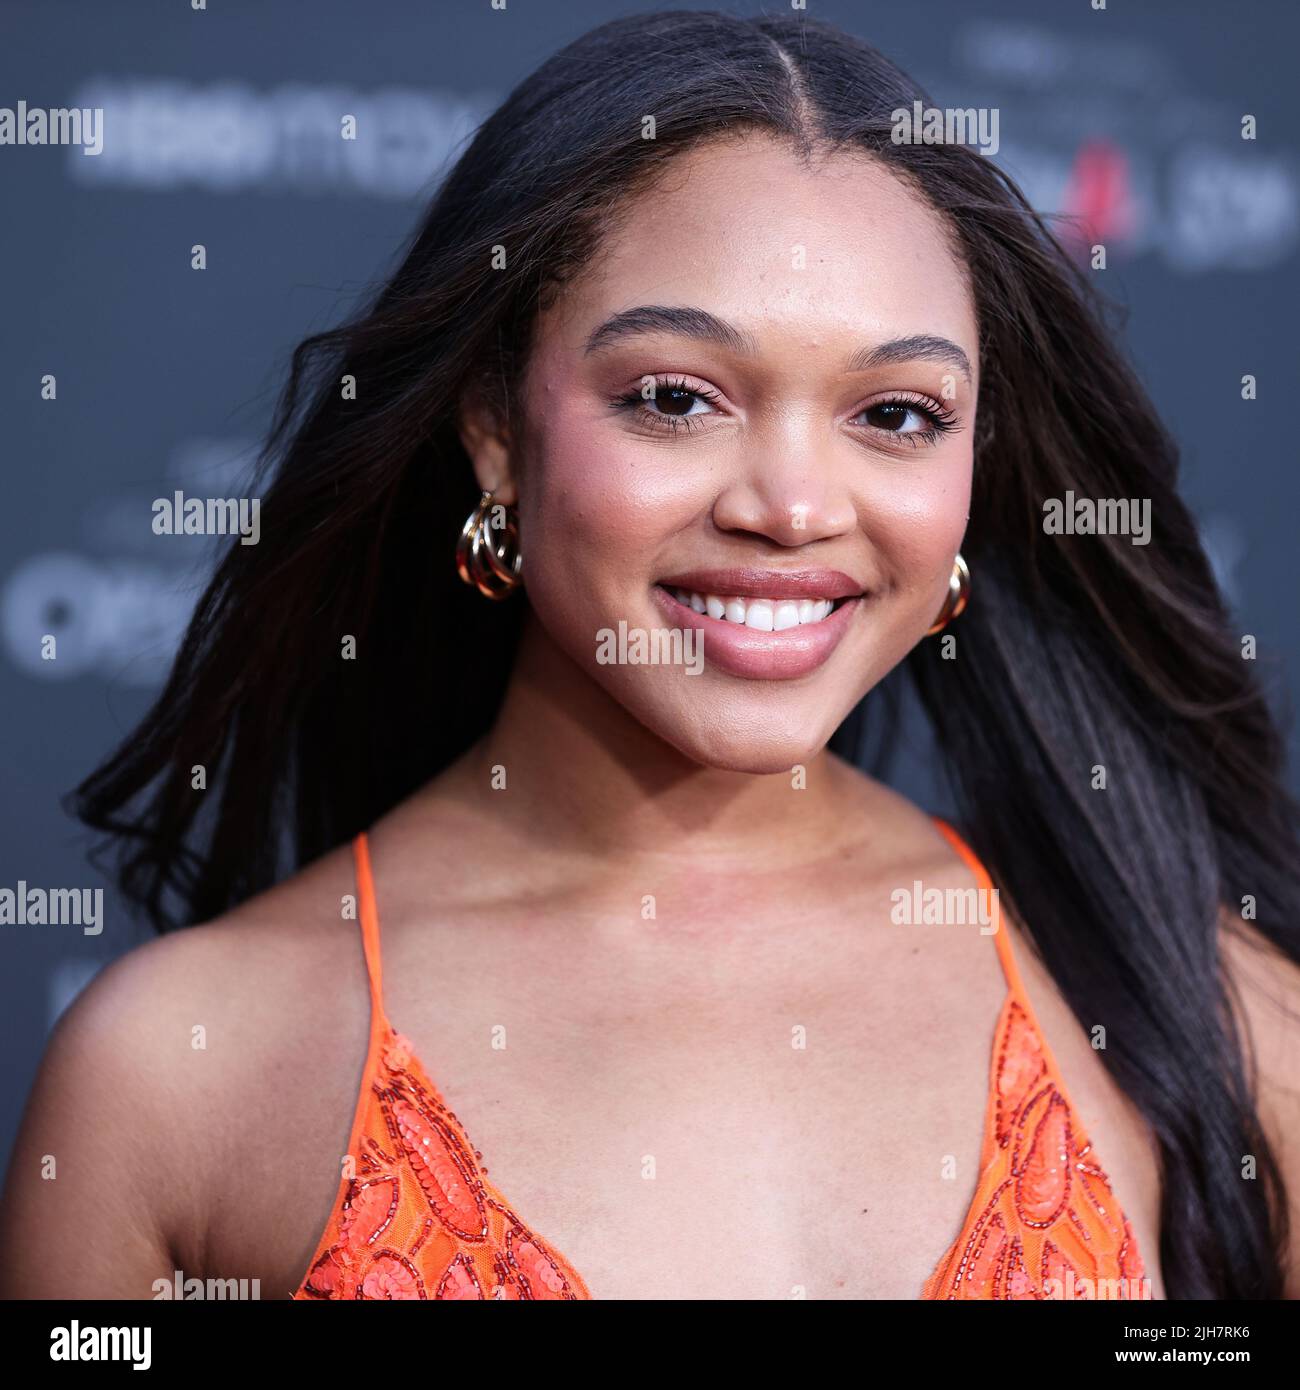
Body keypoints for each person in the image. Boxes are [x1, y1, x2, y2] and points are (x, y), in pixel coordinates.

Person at [2, 10, 1297, 1301]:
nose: (793, 505)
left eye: (895, 414)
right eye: (676, 396)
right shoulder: (182, 1071)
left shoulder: (1200, 1009)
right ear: (498, 425)